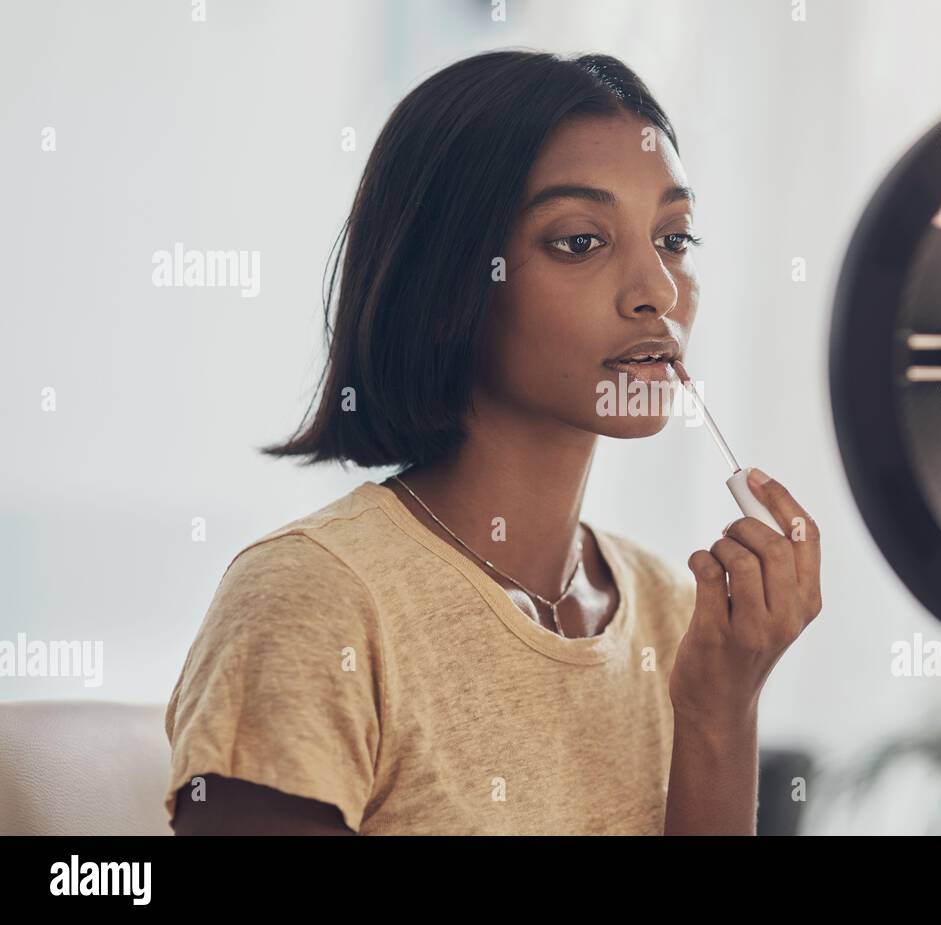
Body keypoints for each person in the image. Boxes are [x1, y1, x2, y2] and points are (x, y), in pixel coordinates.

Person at [164, 49, 822, 835]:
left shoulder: (675, 617)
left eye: (675, 238)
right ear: (446, 291)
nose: (660, 291)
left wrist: (723, 710)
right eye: (580, 241)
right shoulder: (316, 600)